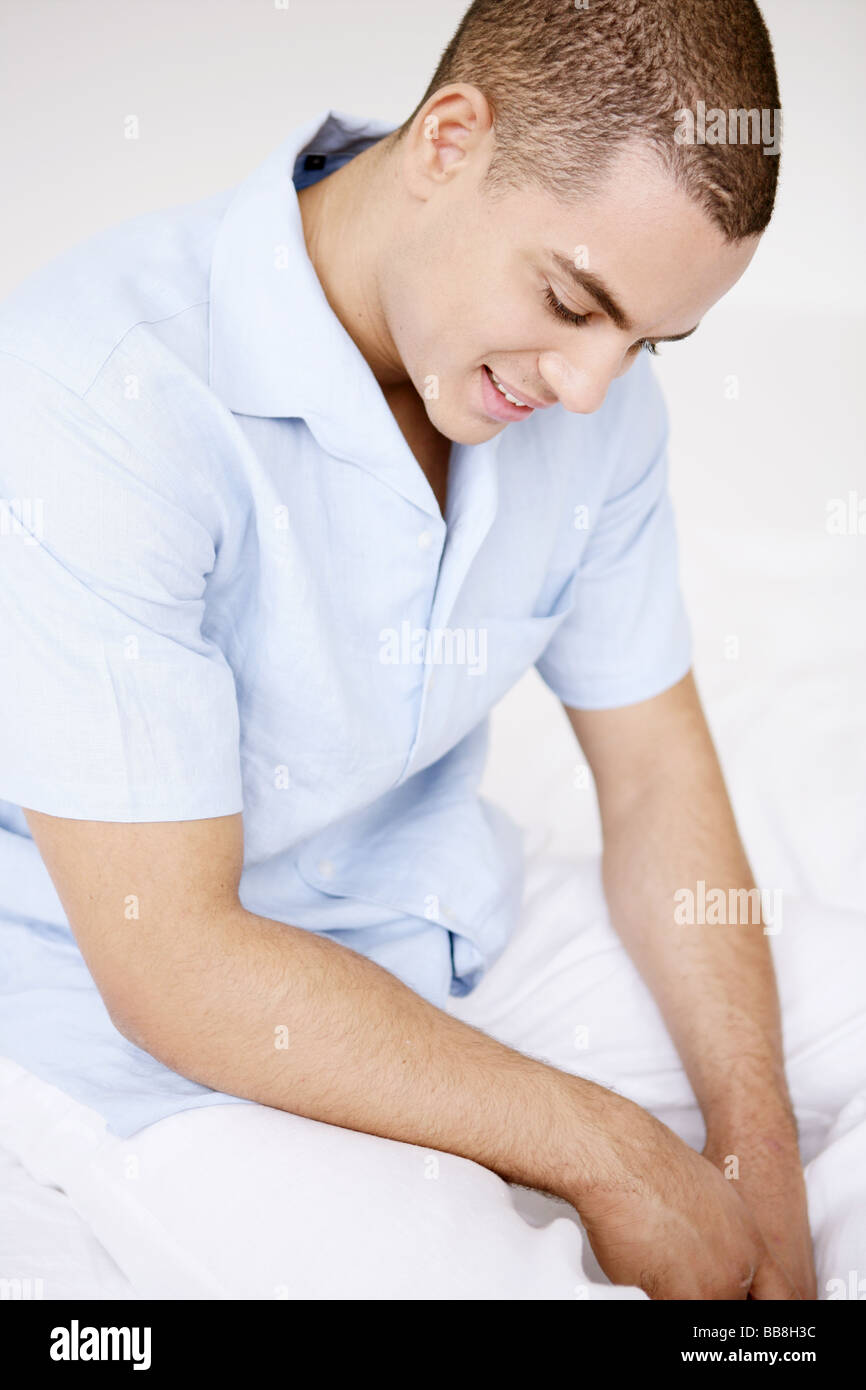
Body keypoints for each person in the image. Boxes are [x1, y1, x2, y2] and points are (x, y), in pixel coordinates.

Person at [1, 0, 862, 1301]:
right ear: (449, 140)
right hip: (148, 1031)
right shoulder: (91, 395)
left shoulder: (589, 395)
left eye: (646, 342)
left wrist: (755, 1171)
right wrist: (611, 1151)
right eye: (572, 301)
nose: (588, 389)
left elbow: (653, 781)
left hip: (440, 926)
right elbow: (173, 963)